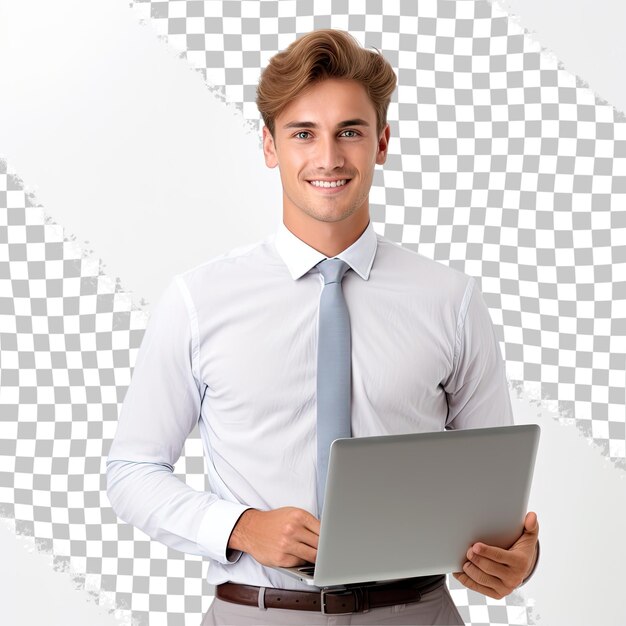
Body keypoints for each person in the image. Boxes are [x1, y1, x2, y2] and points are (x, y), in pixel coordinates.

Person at [106, 29, 539, 625]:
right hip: (257, 613)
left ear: (381, 142)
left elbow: (494, 496)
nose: (329, 157)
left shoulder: (451, 301)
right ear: (269, 145)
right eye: (303, 133)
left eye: (350, 132)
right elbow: (131, 471)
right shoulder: (198, 301)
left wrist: (515, 555)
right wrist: (240, 527)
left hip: (414, 613)